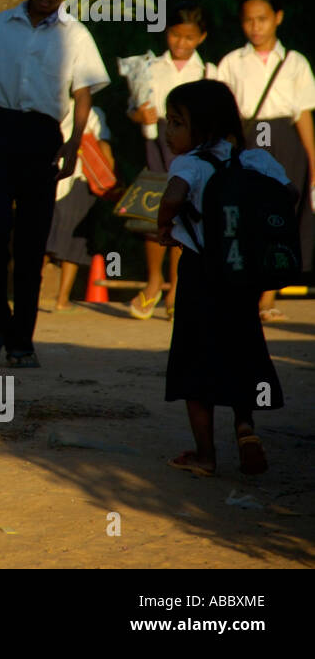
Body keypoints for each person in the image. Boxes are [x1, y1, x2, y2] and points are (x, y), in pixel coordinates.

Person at [0, 0, 109, 369]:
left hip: (44, 139)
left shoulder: (76, 35)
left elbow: (83, 96)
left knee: (30, 243)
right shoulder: (0, 26)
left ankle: (20, 339)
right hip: (1, 133)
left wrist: (73, 143)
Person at [156, 79, 285, 476]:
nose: (168, 131)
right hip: (241, 277)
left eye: (177, 122)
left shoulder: (189, 164)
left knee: (195, 363)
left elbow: (174, 197)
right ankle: (245, 427)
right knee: (241, 352)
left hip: (199, 276)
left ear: (204, 127)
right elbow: (289, 194)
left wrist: (164, 225)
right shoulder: (253, 160)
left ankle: (205, 455)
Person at [216, 0, 315, 322]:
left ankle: (267, 296)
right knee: (244, 217)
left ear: (278, 18)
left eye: (262, 19)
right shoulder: (231, 62)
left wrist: (314, 163)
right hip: (247, 140)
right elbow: (223, 115)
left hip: (285, 142)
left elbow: (302, 113)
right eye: (248, 21)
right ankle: (244, 288)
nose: (255, 27)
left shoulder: (295, 62)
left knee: (280, 218)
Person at [128, 1, 215, 320]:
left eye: (189, 38)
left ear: (201, 38)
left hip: (193, 153)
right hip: (158, 147)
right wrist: (138, 115)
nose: (181, 43)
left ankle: (177, 288)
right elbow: (132, 108)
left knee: (186, 217)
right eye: (176, 35)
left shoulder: (208, 73)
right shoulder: (149, 68)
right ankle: (154, 282)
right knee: (154, 213)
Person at [43, 103, 113, 313]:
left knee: (44, 241)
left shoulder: (50, 105)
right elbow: (103, 144)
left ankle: (31, 294)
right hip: (81, 179)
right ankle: (62, 299)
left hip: (50, 177)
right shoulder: (93, 111)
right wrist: (110, 172)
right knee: (73, 246)